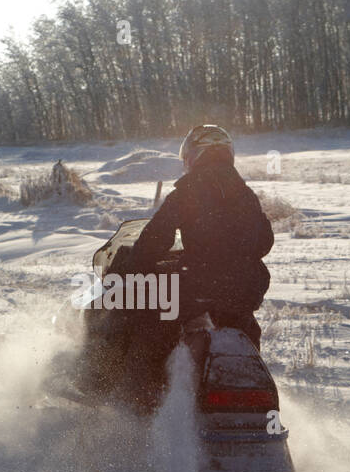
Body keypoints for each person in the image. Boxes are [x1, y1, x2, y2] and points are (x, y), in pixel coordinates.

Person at [116, 125, 274, 410]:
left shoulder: (187, 191)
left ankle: (141, 404)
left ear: (194, 156)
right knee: (245, 329)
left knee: (152, 325)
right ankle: (253, 406)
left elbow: (155, 240)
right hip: (243, 291)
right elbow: (264, 242)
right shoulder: (245, 195)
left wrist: (130, 268)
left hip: (198, 286)